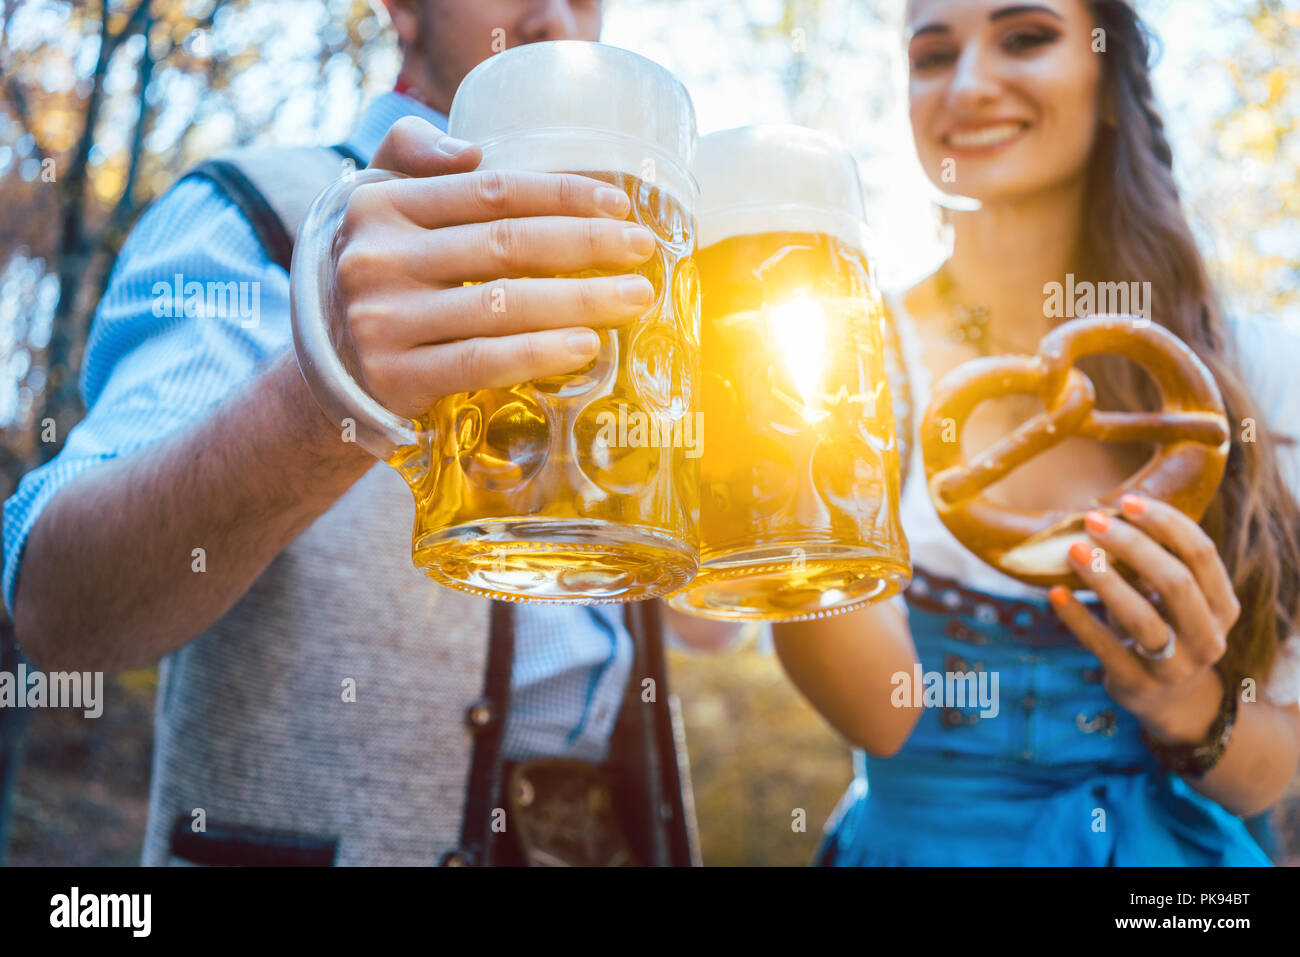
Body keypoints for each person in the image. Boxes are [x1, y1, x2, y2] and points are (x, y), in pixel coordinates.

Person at [3, 0, 737, 866]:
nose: (555, 7)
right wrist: (322, 397)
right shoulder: (254, 210)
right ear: (404, 12)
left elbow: (711, 629)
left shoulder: (648, 250)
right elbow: (59, 605)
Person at [775, 0, 1300, 865]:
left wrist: (1189, 702)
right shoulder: (845, 358)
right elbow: (879, 714)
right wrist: (779, 492)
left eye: (1025, 37)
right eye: (932, 55)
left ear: (1108, 79)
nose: (972, 85)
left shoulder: (1252, 375)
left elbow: (1264, 778)